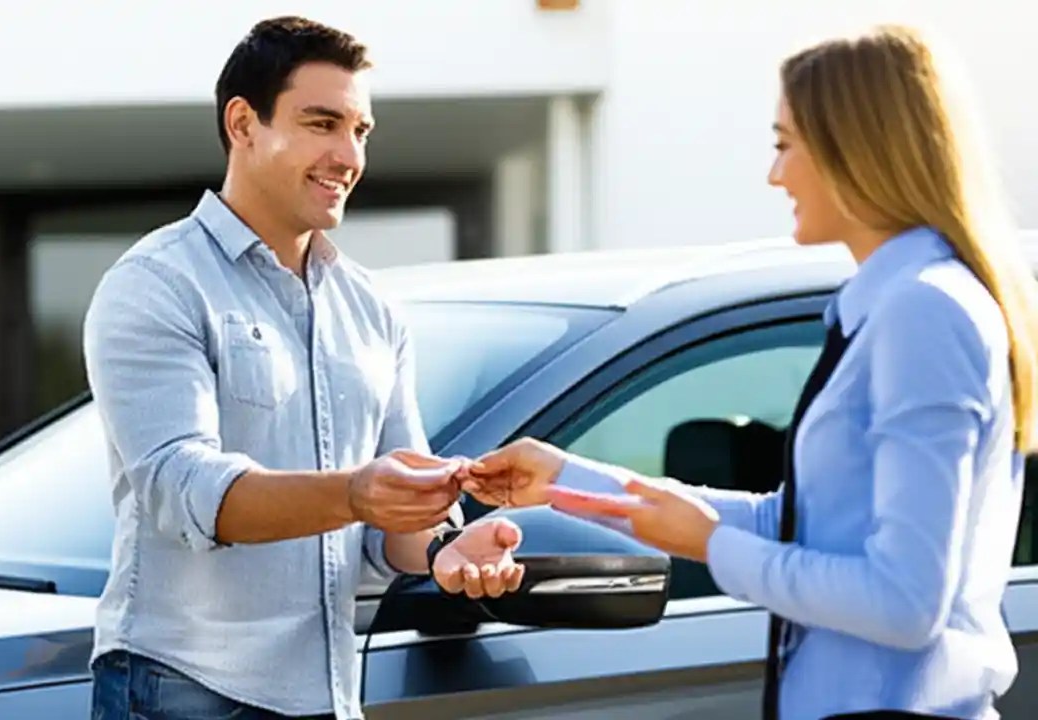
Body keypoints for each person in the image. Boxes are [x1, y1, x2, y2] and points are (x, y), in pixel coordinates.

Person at [458, 24, 1038, 720]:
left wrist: (711, 546)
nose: (774, 174)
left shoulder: (923, 311)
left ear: (853, 148)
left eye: (784, 144)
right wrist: (565, 481)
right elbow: (793, 522)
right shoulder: (896, 306)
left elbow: (905, 602)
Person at [83, 16, 524, 720]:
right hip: (183, 693)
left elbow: (393, 514)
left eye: (361, 131)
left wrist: (446, 547)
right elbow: (182, 489)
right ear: (243, 124)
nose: (348, 155)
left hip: (330, 698)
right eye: (322, 124)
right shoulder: (157, 285)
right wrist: (354, 494)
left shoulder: (372, 308)